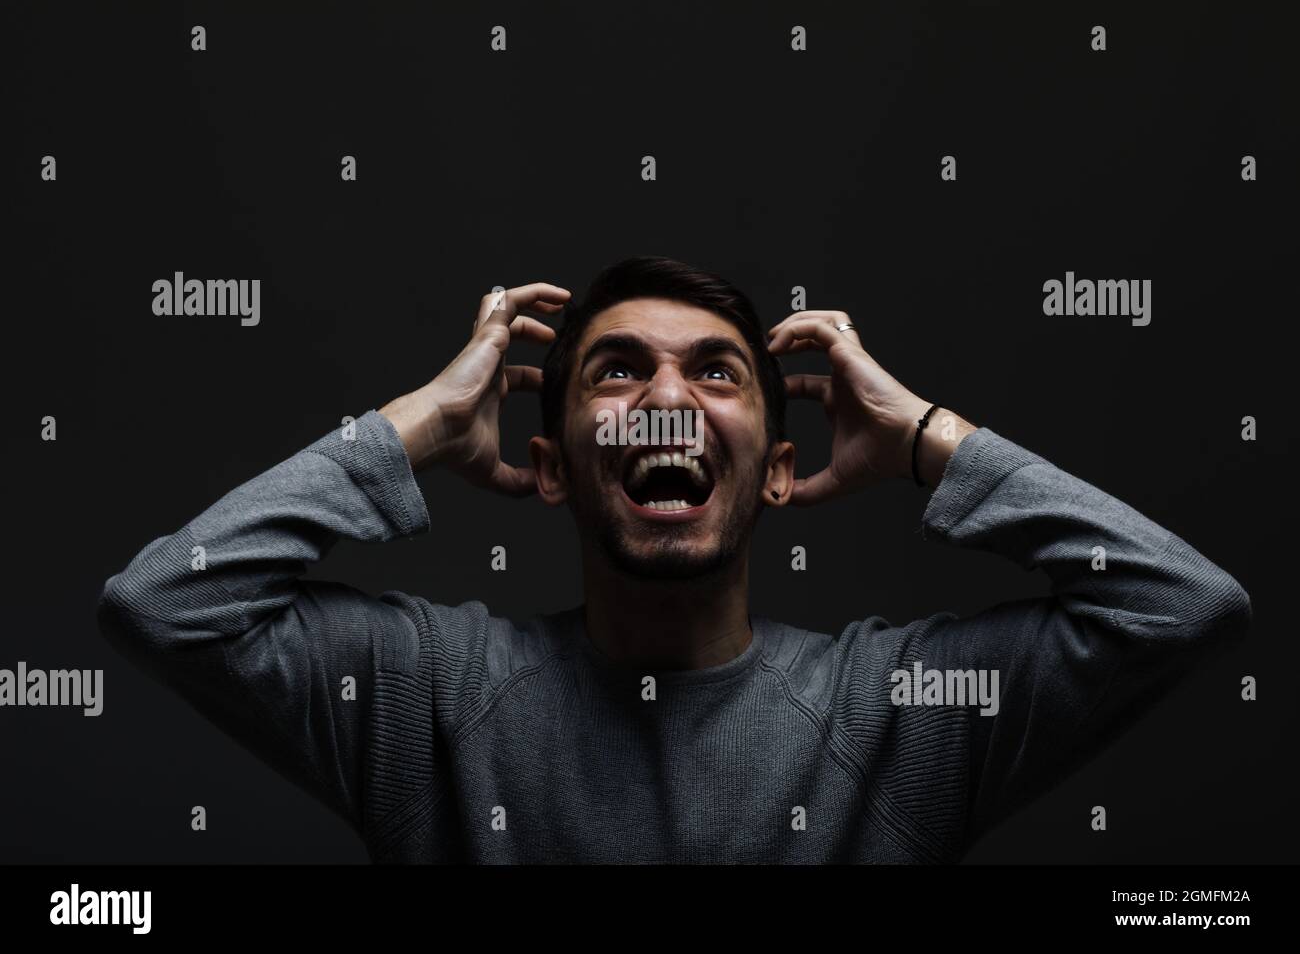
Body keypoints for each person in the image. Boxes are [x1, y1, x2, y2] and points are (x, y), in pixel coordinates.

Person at [97, 256, 1251, 863]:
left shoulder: (899, 714)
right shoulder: (426, 694)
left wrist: (926, 438)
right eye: (615, 372)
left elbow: (1181, 605)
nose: (662, 398)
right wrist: (413, 425)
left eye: (713, 371)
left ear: (780, 471)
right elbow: (164, 604)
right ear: (550, 467)